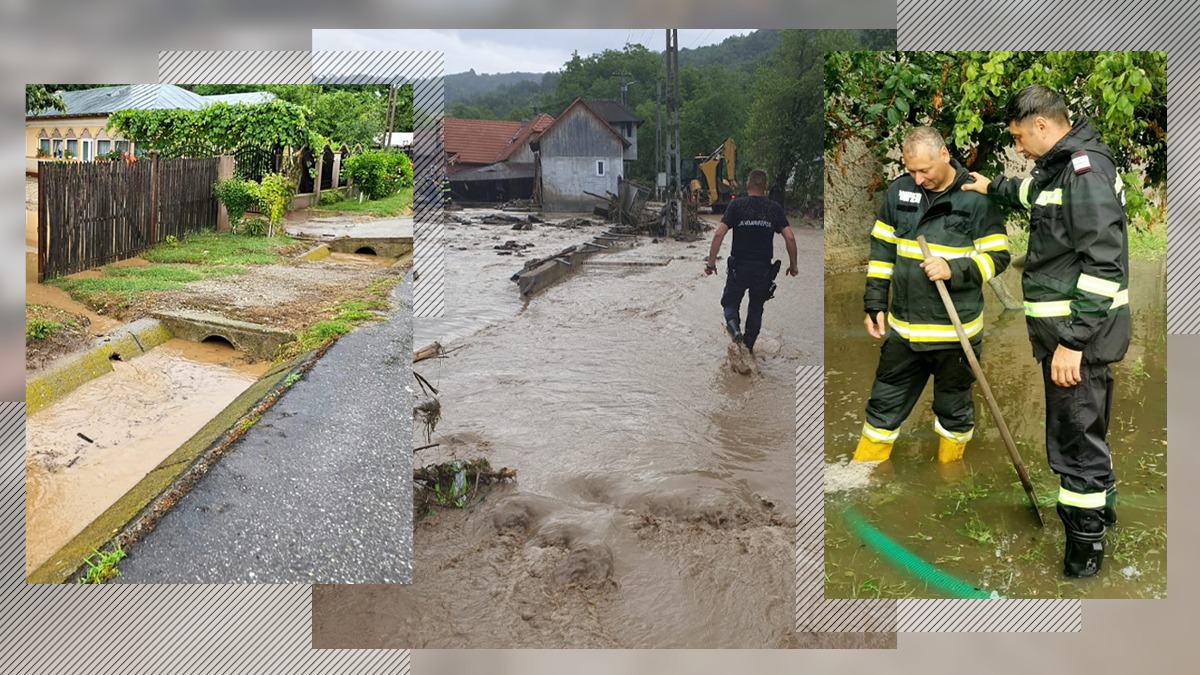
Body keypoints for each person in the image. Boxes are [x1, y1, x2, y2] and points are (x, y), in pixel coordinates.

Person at [962, 84, 1130, 578]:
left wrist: (1072, 343)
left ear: (1041, 125)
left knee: (1076, 444)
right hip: (1079, 335)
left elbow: (1105, 264)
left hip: (1079, 339)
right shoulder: (1064, 168)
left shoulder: (1084, 172)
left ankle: (1083, 561)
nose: (1016, 147)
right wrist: (991, 186)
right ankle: (1107, 516)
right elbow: (1035, 196)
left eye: (1018, 137)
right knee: (1088, 429)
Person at [851, 127, 1009, 466]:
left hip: (955, 336)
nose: (919, 179)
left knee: (954, 412)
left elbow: (998, 258)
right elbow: (881, 254)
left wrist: (954, 269)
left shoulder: (977, 198)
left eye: (925, 170)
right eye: (911, 171)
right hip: (904, 333)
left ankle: (948, 478)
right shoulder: (898, 193)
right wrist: (875, 303)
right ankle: (863, 473)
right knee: (882, 407)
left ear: (944, 155)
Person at [704, 169, 798, 353]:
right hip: (762, 271)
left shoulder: (736, 206)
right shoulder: (773, 208)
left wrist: (711, 264)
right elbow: (790, 238)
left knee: (730, 304)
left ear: (747, 185)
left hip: (738, 268)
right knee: (756, 308)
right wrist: (793, 264)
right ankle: (748, 348)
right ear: (766, 187)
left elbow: (718, 233)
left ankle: (735, 330)